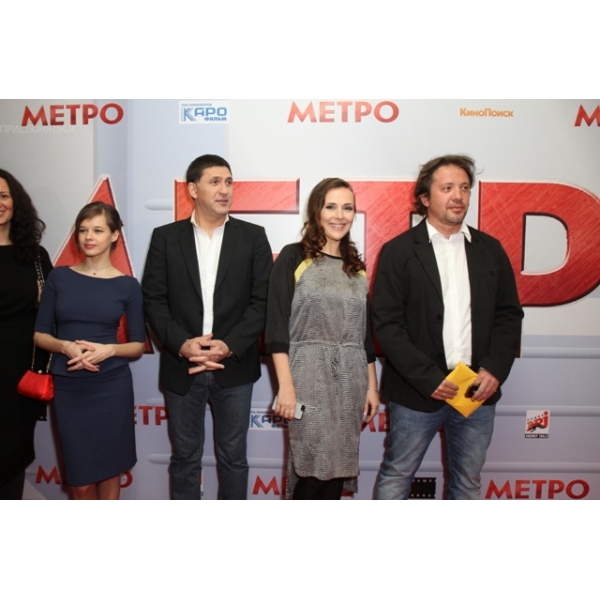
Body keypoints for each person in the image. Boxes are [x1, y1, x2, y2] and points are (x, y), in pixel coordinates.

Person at [372, 155, 523, 500]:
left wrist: (495, 369)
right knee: (397, 475)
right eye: (448, 188)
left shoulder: (491, 250)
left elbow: (509, 315)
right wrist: (428, 378)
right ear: (425, 198)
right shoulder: (398, 252)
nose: (458, 196)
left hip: (476, 391)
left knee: (467, 481)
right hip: (416, 391)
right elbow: (388, 325)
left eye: (465, 188)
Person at [142, 154, 273, 500]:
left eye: (228, 182)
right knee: (184, 459)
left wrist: (229, 345)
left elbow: (263, 301)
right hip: (182, 366)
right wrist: (182, 344)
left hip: (234, 366)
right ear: (192, 189)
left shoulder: (253, 237)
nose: (224, 189)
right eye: (214, 182)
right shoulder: (165, 238)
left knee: (234, 458)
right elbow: (153, 300)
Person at [265, 178, 380, 500]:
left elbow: (364, 336)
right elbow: (276, 329)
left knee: (338, 468)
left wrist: (372, 386)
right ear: (316, 211)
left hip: (351, 381)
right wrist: (286, 387)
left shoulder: (357, 268)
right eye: (331, 206)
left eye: (347, 208)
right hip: (306, 377)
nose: (339, 216)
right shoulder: (294, 257)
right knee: (310, 465)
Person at [34, 202, 145, 500]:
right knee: (80, 480)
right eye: (83, 230)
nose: (88, 237)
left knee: (111, 470)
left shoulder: (128, 286)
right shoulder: (59, 278)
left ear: (114, 235)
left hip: (111, 385)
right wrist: (64, 345)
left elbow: (138, 344)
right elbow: (39, 335)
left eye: (97, 230)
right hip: (70, 385)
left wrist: (109, 350)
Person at [0, 170, 52, 500]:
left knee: (12, 454)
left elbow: (51, 315)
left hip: (19, 373)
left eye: (3, 196)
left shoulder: (34, 256)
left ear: (15, 202)